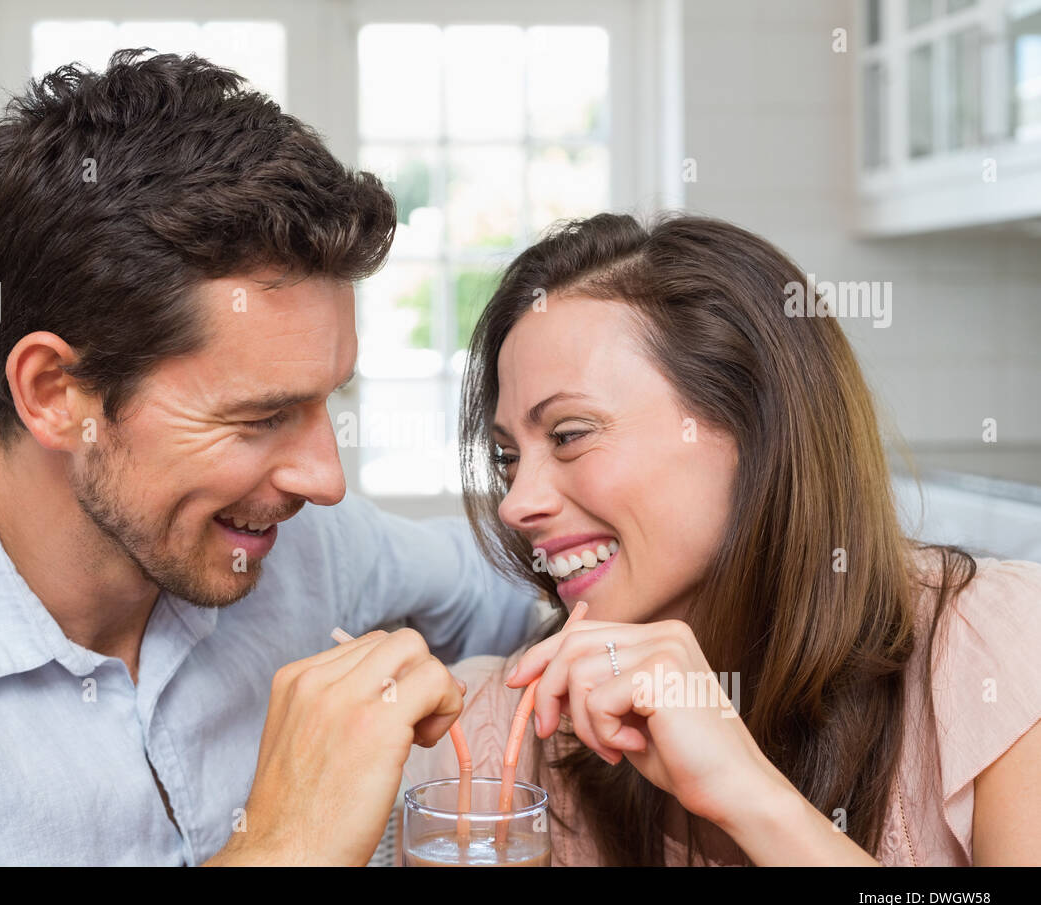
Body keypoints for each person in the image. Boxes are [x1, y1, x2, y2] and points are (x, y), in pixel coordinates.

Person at [0, 50, 539, 866]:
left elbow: (523, 588)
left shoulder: (302, 549)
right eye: (262, 416)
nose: (326, 480)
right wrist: (282, 848)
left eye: (327, 402)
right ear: (56, 393)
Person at [402, 212, 1041, 865]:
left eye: (568, 434)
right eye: (508, 457)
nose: (516, 503)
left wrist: (749, 795)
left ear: (752, 427)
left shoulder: (999, 652)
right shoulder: (504, 731)